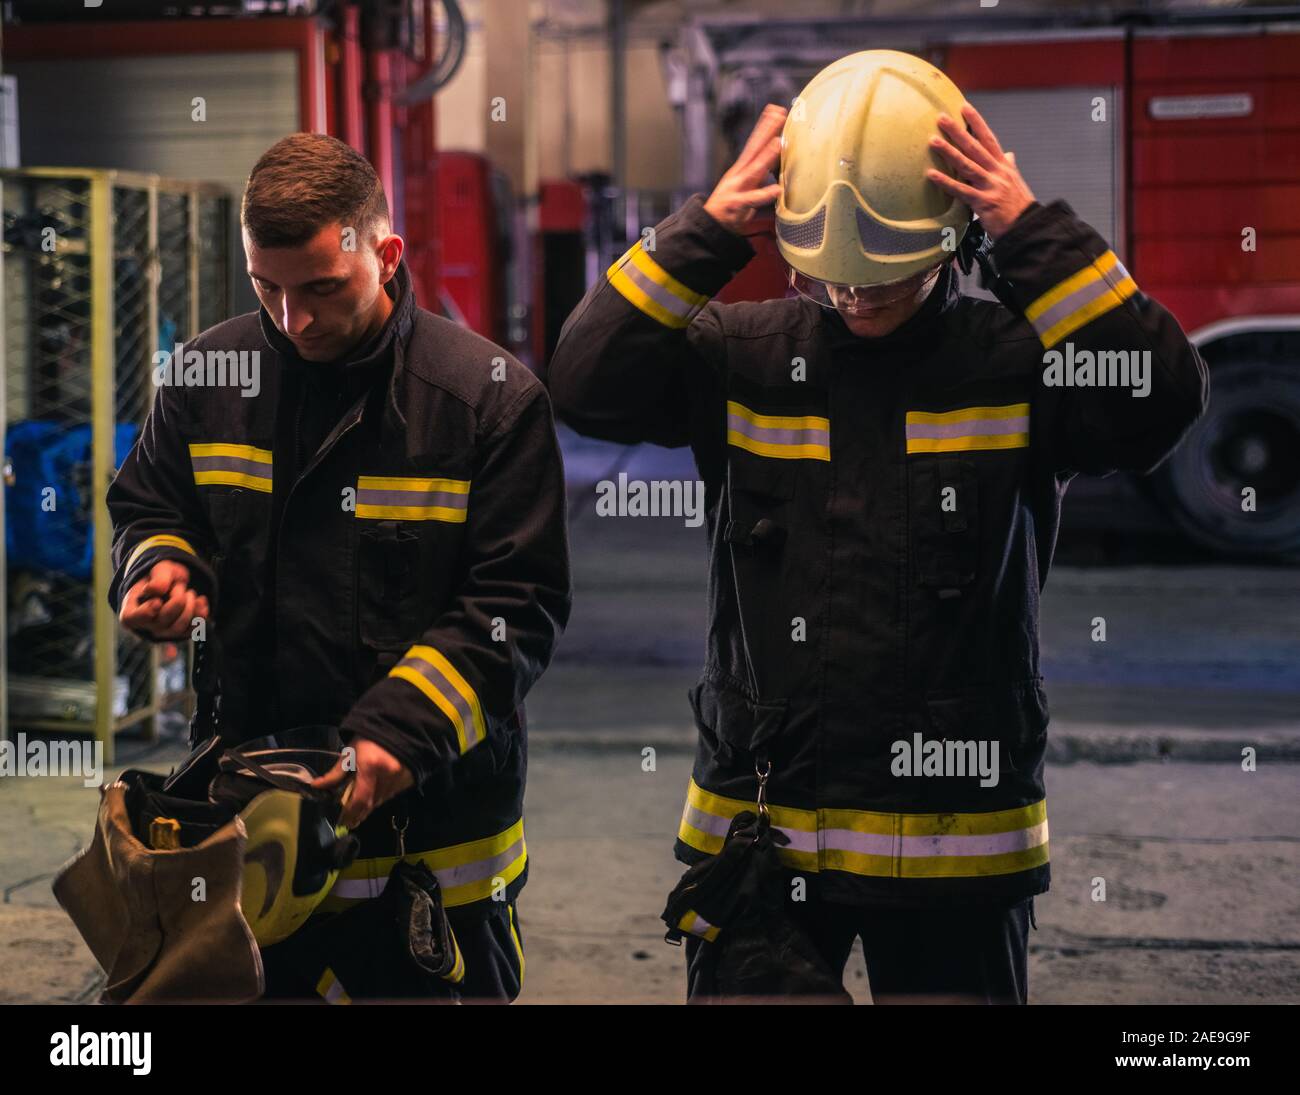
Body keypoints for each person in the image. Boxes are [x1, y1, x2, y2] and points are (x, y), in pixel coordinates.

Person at [545, 51, 1208, 1004]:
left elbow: (1162, 401)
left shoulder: (1015, 364)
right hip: (762, 832)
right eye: (832, 279)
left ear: (948, 240)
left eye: (879, 281)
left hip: (955, 840)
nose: (854, 297)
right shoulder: (746, 358)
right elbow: (582, 382)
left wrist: (1030, 233)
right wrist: (703, 233)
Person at [107, 132, 571, 1002]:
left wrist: (395, 732)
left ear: (386, 255)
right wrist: (160, 568)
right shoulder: (207, 379)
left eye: (322, 287)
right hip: (249, 840)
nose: (294, 320)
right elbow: (150, 507)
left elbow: (518, 603)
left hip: (434, 857)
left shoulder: (487, 401)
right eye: (266, 287)